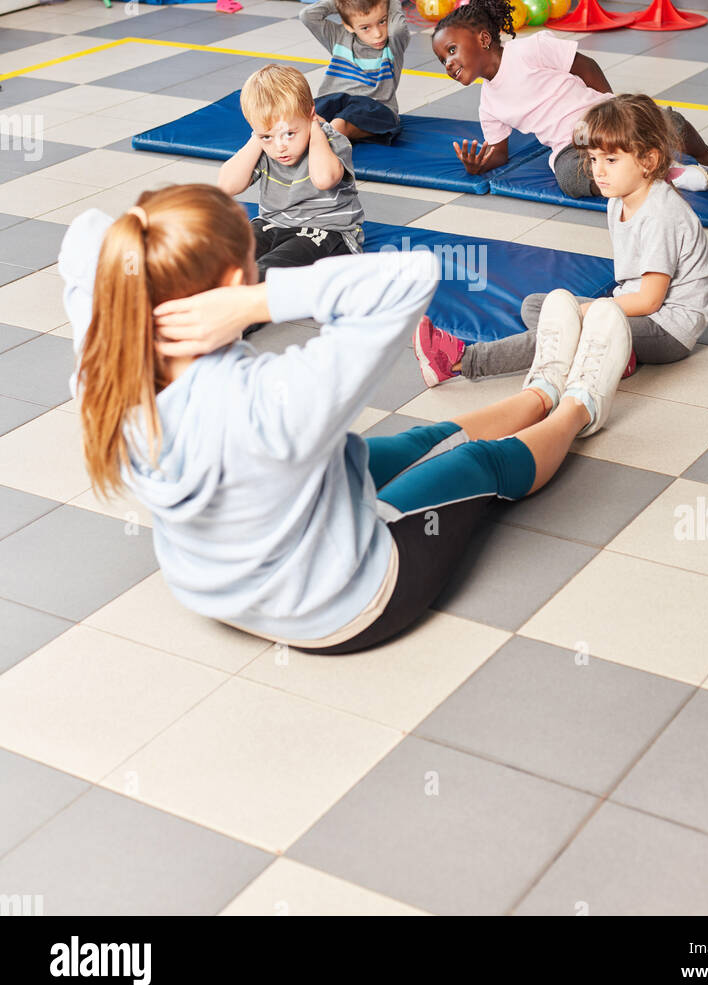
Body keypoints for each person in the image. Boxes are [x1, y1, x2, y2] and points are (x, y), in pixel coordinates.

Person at [57, 185, 632, 655]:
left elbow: (83, 237)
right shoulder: (270, 398)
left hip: (211, 588)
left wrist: (151, 255)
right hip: (341, 607)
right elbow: (409, 278)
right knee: (474, 461)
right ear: (235, 284)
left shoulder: (102, 356)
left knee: (417, 440)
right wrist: (259, 302)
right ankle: (579, 402)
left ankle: (542, 388)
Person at [414, 94, 708, 388]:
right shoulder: (618, 200)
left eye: (611, 160)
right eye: (594, 158)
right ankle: (611, 352)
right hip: (637, 310)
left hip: (667, 328)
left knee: (561, 327)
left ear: (648, 160)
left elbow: (649, 300)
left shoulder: (661, 213)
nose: (598, 171)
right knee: (535, 306)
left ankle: (462, 361)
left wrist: (582, 314)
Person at [431, 0, 708, 196]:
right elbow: (499, 153)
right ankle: (661, 174)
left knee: (663, 120)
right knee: (569, 179)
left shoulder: (530, 49)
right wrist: (479, 166)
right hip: (572, 146)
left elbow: (585, 66)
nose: (447, 63)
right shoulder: (488, 104)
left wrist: (614, 106)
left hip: (601, 118)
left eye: (452, 51)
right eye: (442, 58)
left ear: (483, 40)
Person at [218, 63, 365, 280]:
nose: (279, 147)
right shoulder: (264, 146)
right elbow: (226, 186)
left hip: (326, 233)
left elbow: (324, 179)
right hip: (271, 225)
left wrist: (314, 129)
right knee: (223, 260)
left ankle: (240, 303)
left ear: (310, 115)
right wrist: (257, 137)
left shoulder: (331, 140)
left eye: (288, 134)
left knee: (268, 270)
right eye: (267, 137)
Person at [299, 0, 410, 144]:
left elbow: (397, 29)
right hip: (333, 99)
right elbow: (307, 15)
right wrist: (345, 5)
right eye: (365, 27)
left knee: (340, 123)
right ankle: (320, 134)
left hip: (375, 107)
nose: (378, 34)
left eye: (382, 21)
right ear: (349, 26)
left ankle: (327, 137)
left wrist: (391, 3)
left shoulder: (392, 44)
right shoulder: (338, 36)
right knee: (302, 117)